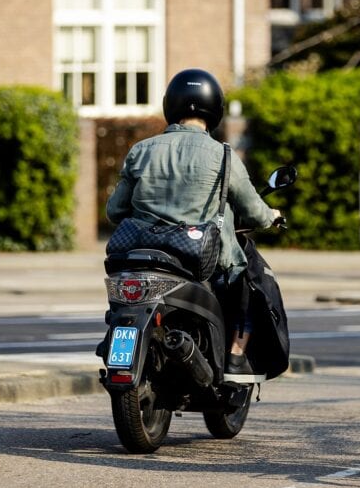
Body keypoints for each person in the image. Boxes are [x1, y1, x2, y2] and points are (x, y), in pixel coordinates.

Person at [106, 68, 281, 375]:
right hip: (197, 254)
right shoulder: (223, 156)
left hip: (138, 252)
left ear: (169, 105)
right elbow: (254, 212)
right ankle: (235, 357)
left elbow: (115, 210)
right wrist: (273, 217)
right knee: (249, 277)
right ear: (215, 108)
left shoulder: (141, 151)